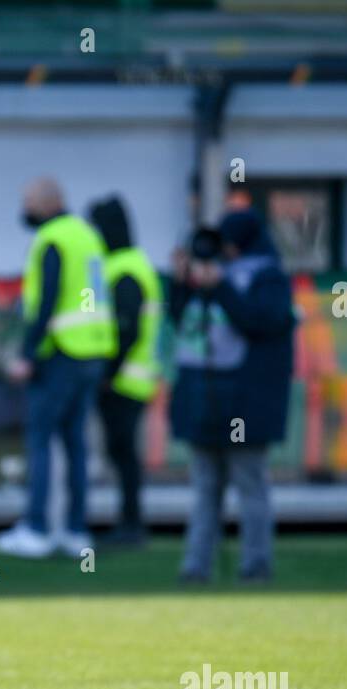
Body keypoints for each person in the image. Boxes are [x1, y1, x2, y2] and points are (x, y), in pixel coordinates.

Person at [167, 210, 295, 583]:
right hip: (203, 402)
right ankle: (196, 566)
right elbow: (181, 323)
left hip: (246, 404)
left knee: (249, 484)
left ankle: (255, 564)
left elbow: (261, 321)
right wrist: (182, 282)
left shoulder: (267, 277)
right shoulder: (206, 278)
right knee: (205, 488)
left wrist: (220, 287)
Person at [0, 177, 116, 559]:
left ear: (48, 203)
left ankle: (37, 528)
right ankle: (76, 530)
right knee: (76, 442)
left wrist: (27, 355)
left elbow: (46, 302)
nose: (25, 209)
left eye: (29, 202)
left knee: (40, 439)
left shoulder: (51, 239)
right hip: (94, 351)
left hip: (60, 353)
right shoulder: (87, 236)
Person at [88, 195, 163, 547]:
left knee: (125, 457)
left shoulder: (124, 269)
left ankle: (131, 525)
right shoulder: (133, 264)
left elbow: (127, 329)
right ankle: (130, 523)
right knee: (124, 456)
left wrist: (108, 372)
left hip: (125, 380)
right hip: (133, 377)